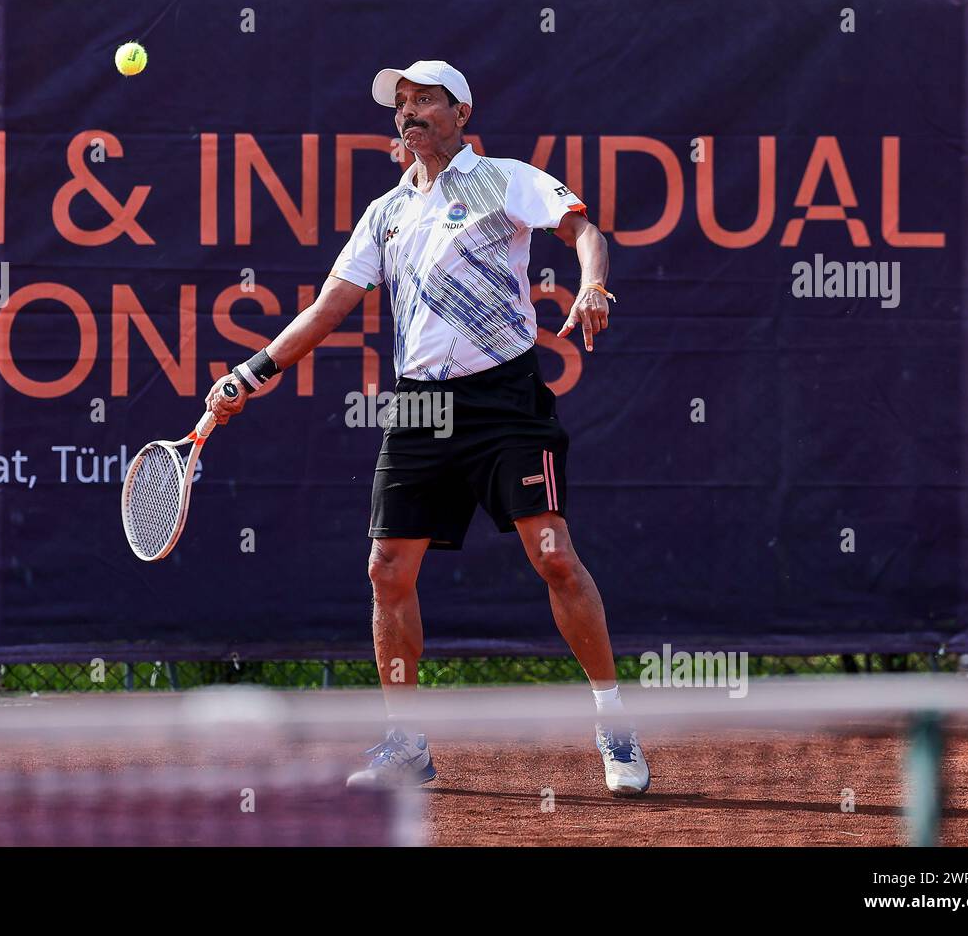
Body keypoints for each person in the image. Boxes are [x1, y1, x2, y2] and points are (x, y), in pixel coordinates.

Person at [206, 60, 650, 795]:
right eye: (401, 104)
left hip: (506, 399)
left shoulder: (505, 179)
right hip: (420, 404)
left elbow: (582, 229)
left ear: (462, 112)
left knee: (556, 558)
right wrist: (252, 371)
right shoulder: (385, 214)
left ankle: (614, 721)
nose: (408, 113)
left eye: (424, 101)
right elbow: (328, 308)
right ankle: (406, 743)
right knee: (387, 571)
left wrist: (594, 282)